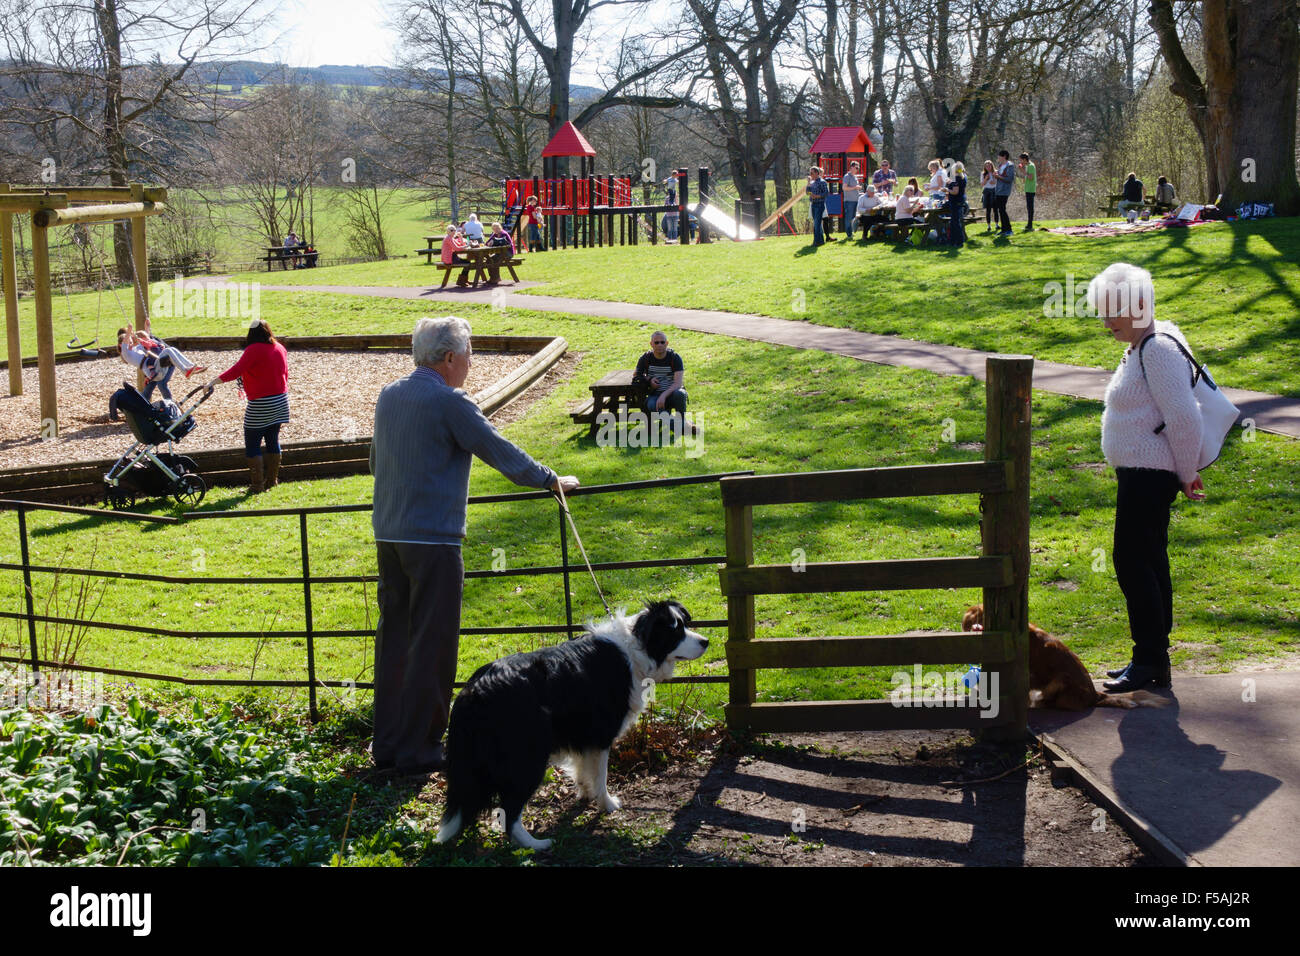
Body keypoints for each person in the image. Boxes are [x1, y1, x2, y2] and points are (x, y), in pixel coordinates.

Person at [368, 316, 579, 774]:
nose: (470, 363)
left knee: (395, 640)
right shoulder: (450, 402)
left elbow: (374, 461)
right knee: (432, 644)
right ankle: (420, 750)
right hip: (434, 540)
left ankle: (386, 745)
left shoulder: (389, 395)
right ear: (448, 358)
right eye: (468, 354)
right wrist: (550, 479)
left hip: (388, 534)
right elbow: (498, 450)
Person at [1089, 262, 1203, 693]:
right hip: (1142, 473)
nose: (1106, 322)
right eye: (1103, 312)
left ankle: (1149, 657)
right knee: (1148, 559)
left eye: (1113, 311)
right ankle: (1152, 658)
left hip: (1150, 475)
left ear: (1139, 304)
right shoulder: (1146, 342)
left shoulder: (1156, 348)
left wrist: (1188, 473)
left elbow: (1184, 416)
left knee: (1134, 561)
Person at [203, 319, 289, 494]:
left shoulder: (253, 350)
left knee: (252, 442)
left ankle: (257, 485)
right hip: (281, 400)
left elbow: (236, 370)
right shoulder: (279, 347)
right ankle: (272, 481)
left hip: (260, 402)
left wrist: (213, 381)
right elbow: (285, 373)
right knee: (273, 439)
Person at [118, 324, 206, 402]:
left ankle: (190, 367)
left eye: (130, 342)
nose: (130, 343)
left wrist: (147, 328)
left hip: (157, 367)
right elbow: (125, 343)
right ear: (120, 345)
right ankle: (185, 371)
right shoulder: (126, 354)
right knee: (167, 351)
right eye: (127, 342)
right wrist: (129, 330)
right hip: (152, 372)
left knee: (171, 349)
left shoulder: (136, 348)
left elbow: (148, 341)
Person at [633, 331, 692, 433]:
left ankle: (682, 420)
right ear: (651, 344)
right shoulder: (646, 358)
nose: (659, 345)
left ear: (667, 343)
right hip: (654, 394)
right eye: (656, 343)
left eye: (662, 342)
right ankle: (683, 427)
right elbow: (636, 375)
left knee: (681, 394)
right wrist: (649, 379)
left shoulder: (675, 358)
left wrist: (664, 395)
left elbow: (678, 383)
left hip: (672, 393)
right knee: (651, 404)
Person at [993, 149, 1015, 236]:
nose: (998, 157)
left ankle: (1009, 229)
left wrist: (998, 176)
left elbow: (1009, 179)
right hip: (998, 190)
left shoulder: (1010, 166)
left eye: (999, 156)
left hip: (1004, 191)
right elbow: (1000, 176)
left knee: (1002, 209)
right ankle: (1003, 229)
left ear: (1004, 156)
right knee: (1000, 210)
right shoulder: (1000, 165)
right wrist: (996, 175)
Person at [806, 166, 830, 246]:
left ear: (817, 173)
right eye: (810, 173)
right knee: (817, 224)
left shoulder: (822, 182)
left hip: (819, 205)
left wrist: (817, 196)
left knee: (816, 224)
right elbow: (807, 192)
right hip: (813, 204)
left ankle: (816, 242)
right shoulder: (812, 182)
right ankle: (821, 241)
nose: (810, 174)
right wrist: (808, 183)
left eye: (812, 173)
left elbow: (826, 193)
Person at [946, 161, 968, 247]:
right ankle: (953, 241)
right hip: (960, 201)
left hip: (955, 201)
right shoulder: (963, 177)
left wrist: (947, 190)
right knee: (954, 222)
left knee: (955, 222)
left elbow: (955, 192)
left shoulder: (956, 179)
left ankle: (959, 241)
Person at [841, 161, 862, 239]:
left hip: (855, 201)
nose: (857, 169)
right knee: (848, 218)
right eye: (856, 167)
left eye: (858, 168)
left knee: (853, 218)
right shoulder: (847, 176)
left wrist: (859, 192)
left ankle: (851, 233)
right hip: (849, 201)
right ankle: (849, 235)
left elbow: (854, 189)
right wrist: (855, 188)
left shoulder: (855, 176)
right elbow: (844, 188)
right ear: (851, 167)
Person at [1019, 152, 1037, 231]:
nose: (1021, 162)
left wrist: (1023, 170)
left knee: (1030, 207)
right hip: (1028, 189)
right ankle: (1029, 224)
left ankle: (1030, 225)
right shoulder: (1028, 166)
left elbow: (1030, 177)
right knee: (1028, 207)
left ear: (1025, 159)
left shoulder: (1031, 166)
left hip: (1031, 189)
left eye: (1021, 160)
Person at [979, 160, 997, 231]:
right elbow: (982, 184)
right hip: (987, 191)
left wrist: (995, 181)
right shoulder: (983, 174)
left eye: (989, 165)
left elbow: (999, 181)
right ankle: (989, 226)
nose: (988, 167)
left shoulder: (995, 172)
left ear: (992, 165)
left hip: (994, 190)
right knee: (988, 209)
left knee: (995, 209)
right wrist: (986, 179)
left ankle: (996, 224)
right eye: (986, 166)